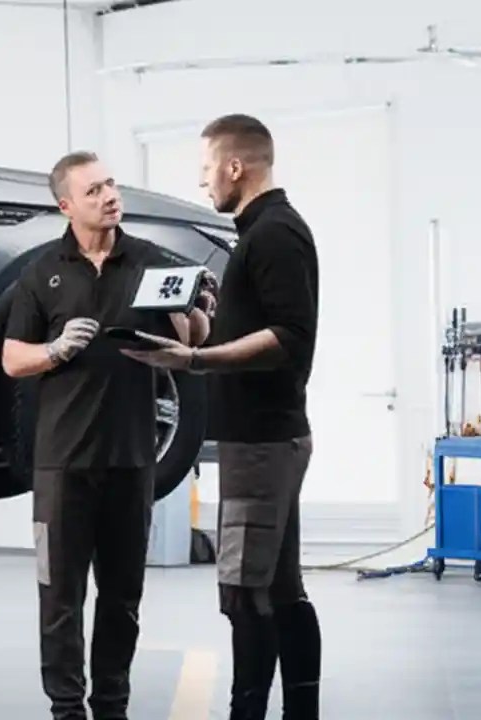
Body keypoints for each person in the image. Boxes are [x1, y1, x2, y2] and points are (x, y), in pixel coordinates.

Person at [119, 114, 322, 720]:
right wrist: (209, 315)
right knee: (281, 591)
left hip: (263, 441)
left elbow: (289, 336)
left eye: (208, 167)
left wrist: (196, 358)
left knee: (243, 592)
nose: (203, 180)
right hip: (263, 438)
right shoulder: (255, 236)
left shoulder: (277, 234)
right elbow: (258, 327)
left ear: (236, 167)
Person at [2, 150, 212, 720]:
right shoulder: (41, 270)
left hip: (130, 460)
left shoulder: (149, 261)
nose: (109, 196)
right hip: (60, 466)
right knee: (59, 600)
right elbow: (11, 358)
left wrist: (193, 311)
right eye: (93, 190)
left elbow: (193, 334)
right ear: (66, 204)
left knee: (122, 601)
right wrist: (55, 349)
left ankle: (112, 707)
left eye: (112, 184)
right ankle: (67, 710)